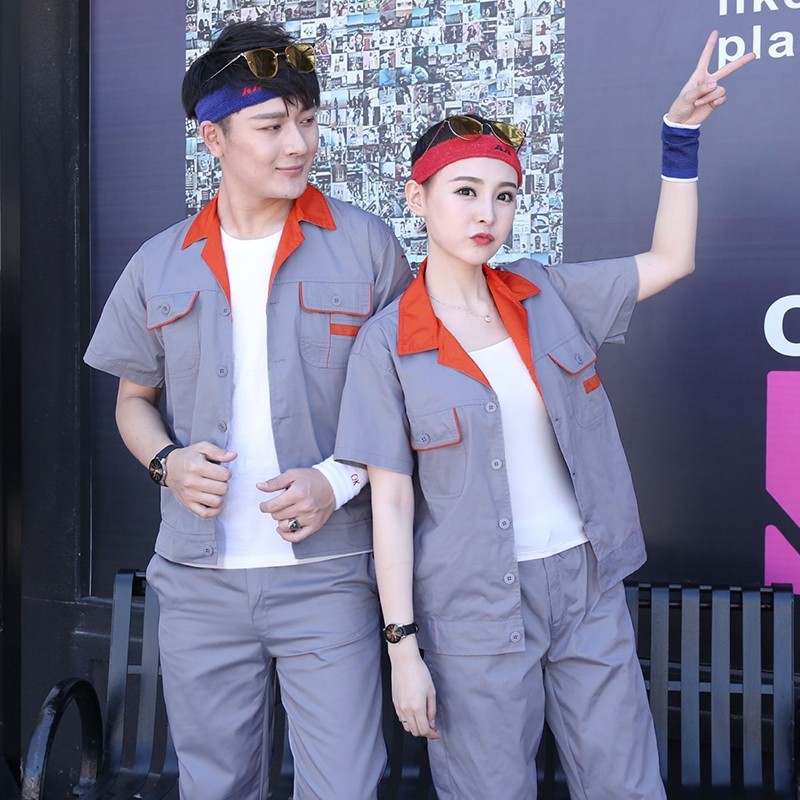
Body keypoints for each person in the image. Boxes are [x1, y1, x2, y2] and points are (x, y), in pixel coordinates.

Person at [335, 32, 754, 799]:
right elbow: (389, 506)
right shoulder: (387, 345)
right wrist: (402, 649)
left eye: (504, 195)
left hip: (585, 583)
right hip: (471, 609)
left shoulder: (546, 294)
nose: (487, 213)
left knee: (626, 784)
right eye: (465, 191)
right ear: (417, 199)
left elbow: (673, 260)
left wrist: (681, 134)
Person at [84, 21, 411, 800]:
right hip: (198, 581)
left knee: (344, 787)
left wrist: (339, 480)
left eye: (308, 120)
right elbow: (133, 402)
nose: (297, 144)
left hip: (330, 574)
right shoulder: (158, 263)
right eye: (271, 125)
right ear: (214, 138)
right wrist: (167, 463)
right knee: (217, 786)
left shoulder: (367, 247)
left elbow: (408, 404)